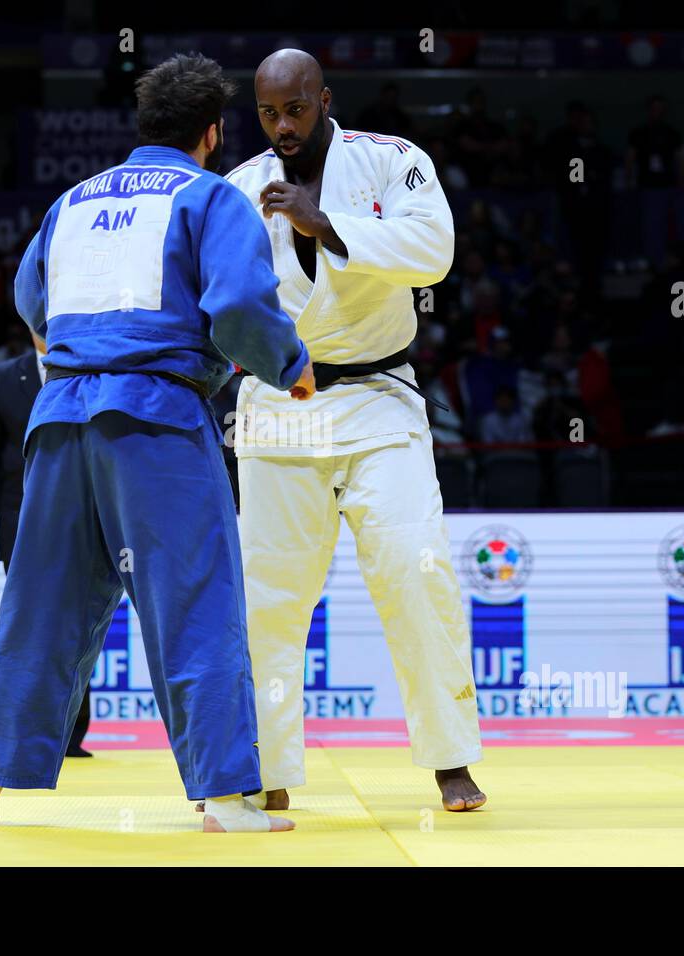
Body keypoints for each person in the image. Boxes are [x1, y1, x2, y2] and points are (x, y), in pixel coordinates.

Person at [0, 53, 315, 835]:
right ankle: (222, 798)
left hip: (58, 422)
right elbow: (240, 305)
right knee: (196, 602)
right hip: (154, 423)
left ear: (144, 126)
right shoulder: (211, 198)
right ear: (212, 134)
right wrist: (289, 365)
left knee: (40, 607)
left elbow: (28, 298)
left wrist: (80, 351)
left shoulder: (73, 201)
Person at [225, 49, 485, 814]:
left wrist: (326, 224)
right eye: (270, 113)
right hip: (279, 403)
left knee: (417, 567)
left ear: (324, 99)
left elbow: (434, 254)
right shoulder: (239, 188)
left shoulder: (391, 162)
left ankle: (451, 760)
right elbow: (220, 300)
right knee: (269, 593)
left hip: (377, 393)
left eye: (296, 109)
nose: (283, 127)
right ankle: (266, 766)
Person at [0, 328, 94, 758]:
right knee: (29, 627)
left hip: (81, 515)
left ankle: (71, 733)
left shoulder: (89, 365)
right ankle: (26, 735)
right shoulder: (4, 377)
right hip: (20, 523)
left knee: (77, 621)